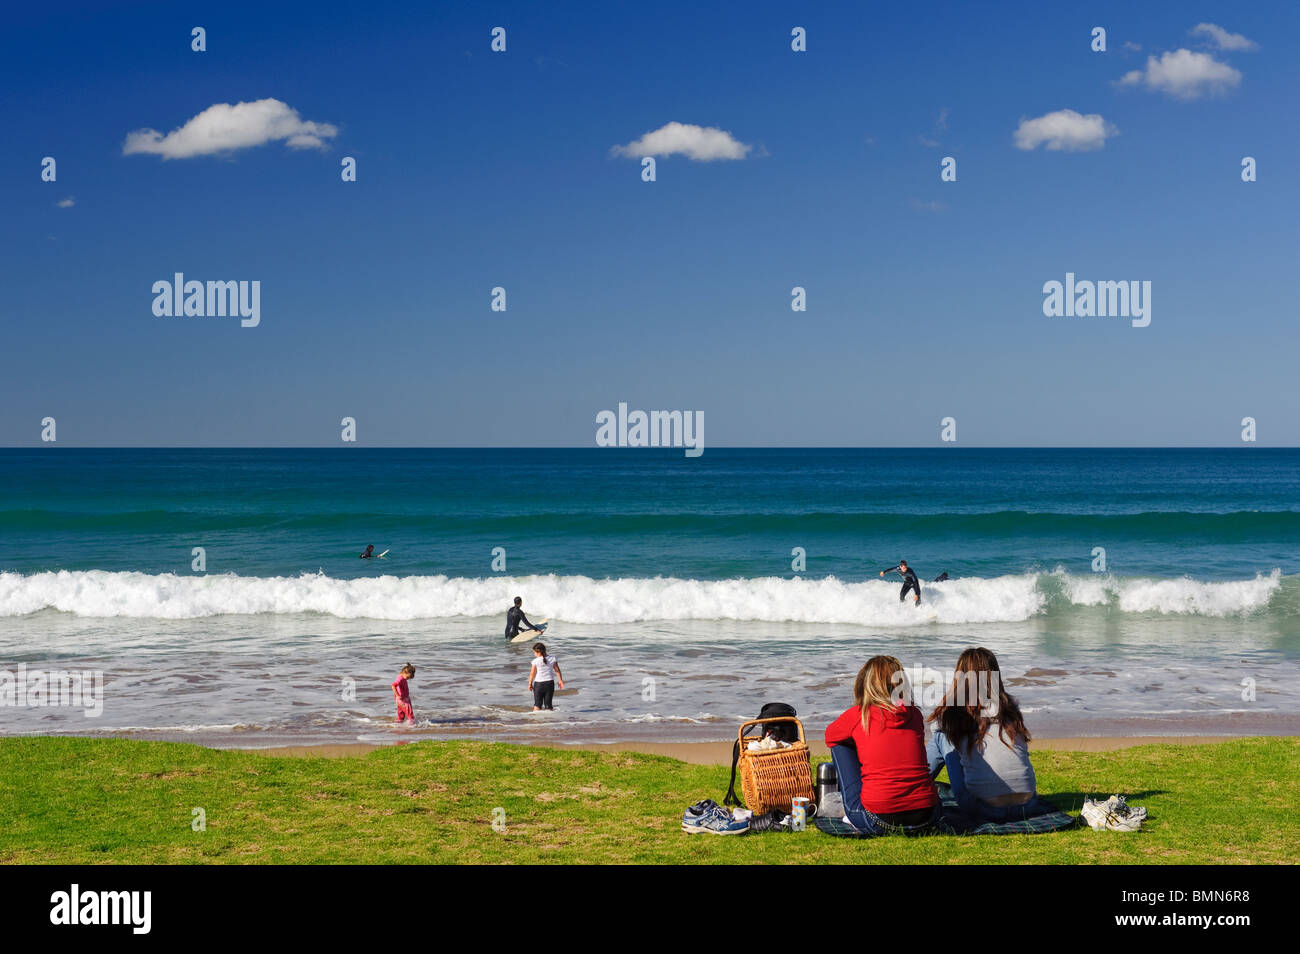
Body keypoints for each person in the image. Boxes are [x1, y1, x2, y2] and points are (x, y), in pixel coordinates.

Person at [926, 647, 1052, 822]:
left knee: (942, 734)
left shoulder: (955, 712)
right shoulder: (1009, 707)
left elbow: (935, 728)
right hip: (1028, 805)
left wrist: (947, 708)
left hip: (982, 809)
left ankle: (911, 790)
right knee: (951, 734)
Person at [824, 655, 939, 834]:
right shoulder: (914, 715)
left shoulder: (859, 715)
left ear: (866, 683)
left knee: (839, 744)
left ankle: (855, 808)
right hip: (928, 816)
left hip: (879, 820)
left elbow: (830, 736)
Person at [528, 643, 564, 711]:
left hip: (539, 684)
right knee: (548, 705)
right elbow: (557, 670)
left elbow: (532, 674)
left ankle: (535, 720)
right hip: (549, 683)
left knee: (537, 704)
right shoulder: (552, 658)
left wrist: (530, 683)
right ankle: (549, 720)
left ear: (538, 652)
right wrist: (560, 681)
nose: (534, 654)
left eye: (534, 652)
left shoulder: (535, 661)